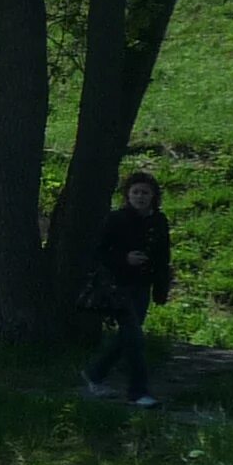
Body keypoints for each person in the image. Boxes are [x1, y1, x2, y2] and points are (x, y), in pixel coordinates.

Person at [82, 170, 174, 406]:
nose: (140, 197)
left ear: (153, 196)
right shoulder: (116, 219)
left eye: (145, 192)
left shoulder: (159, 221)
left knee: (125, 338)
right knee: (135, 338)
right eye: (135, 192)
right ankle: (138, 392)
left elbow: (164, 256)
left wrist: (161, 288)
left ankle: (95, 373)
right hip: (117, 286)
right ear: (127, 195)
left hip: (142, 286)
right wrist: (124, 258)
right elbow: (97, 252)